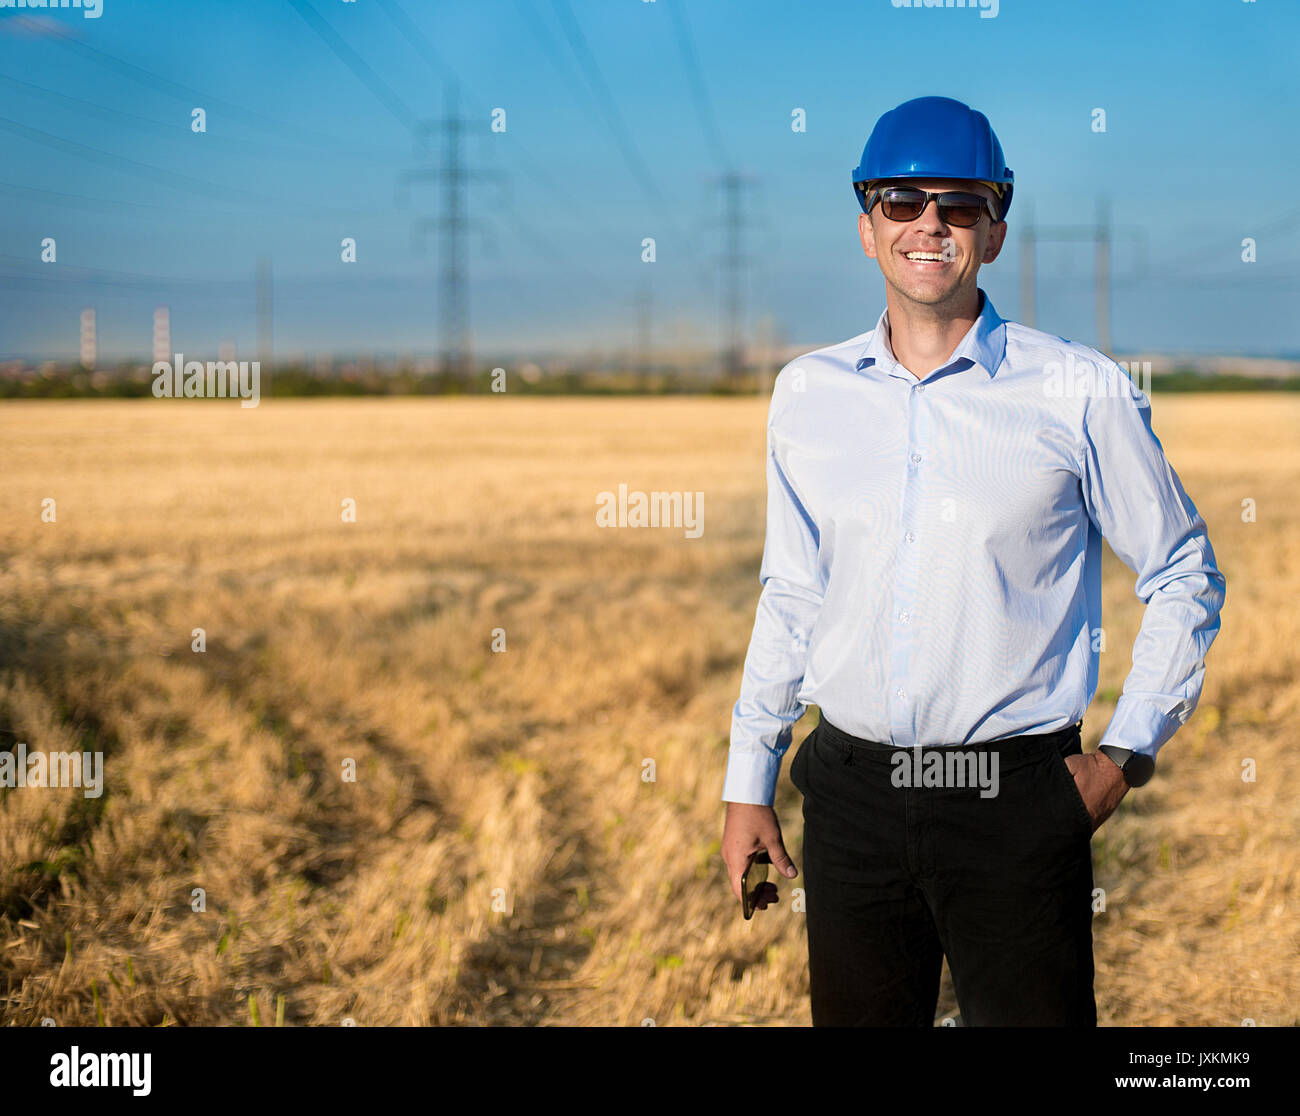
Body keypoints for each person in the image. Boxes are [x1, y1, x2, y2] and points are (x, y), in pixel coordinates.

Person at [719, 95, 1226, 1026]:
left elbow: (1184, 574)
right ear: (866, 225)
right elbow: (793, 592)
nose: (929, 225)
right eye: (903, 201)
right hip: (852, 798)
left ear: (995, 230)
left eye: (958, 204)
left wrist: (1122, 757)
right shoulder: (807, 395)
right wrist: (749, 780)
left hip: (1015, 804)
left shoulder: (1078, 390)